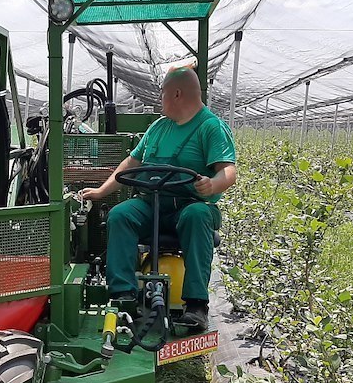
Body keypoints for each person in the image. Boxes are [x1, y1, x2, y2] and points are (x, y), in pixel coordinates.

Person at [80, 66, 237, 330]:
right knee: (121, 214)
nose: (159, 99)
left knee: (198, 215)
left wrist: (213, 184)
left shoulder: (210, 127)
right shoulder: (158, 128)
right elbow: (131, 161)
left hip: (187, 206)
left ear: (177, 94)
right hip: (150, 203)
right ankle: (123, 297)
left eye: (162, 93)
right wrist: (100, 191)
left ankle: (197, 305)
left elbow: (229, 171)